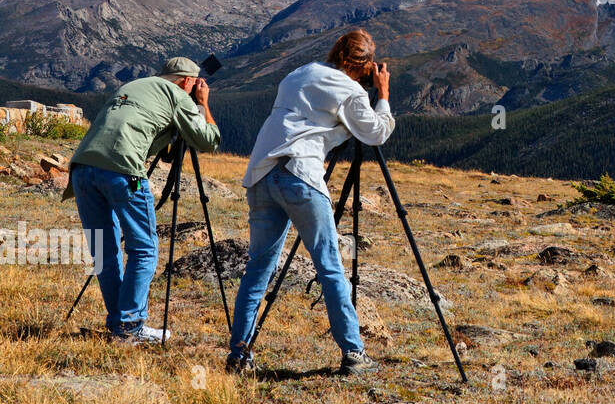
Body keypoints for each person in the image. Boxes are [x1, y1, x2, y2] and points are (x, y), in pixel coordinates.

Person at [228, 29, 395, 376]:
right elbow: (376, 132)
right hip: (300, 174)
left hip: (261, 172)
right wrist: (382, 94)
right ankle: (353, 353)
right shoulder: (349, 90)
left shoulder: (298, 73)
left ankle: (239, 355)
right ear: (362, 67)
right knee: (330, 267)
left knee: (258, 269)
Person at [67, 57, 221, 343]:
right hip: (123, 169)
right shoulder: (178, 95)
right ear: (187, 81)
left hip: (81, 169)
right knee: (144, 249)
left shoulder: (135, 85)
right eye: (193, 84)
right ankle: (129, 327)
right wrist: (202, 103)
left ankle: (120, 325)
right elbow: (208, 140)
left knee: (104, 250)